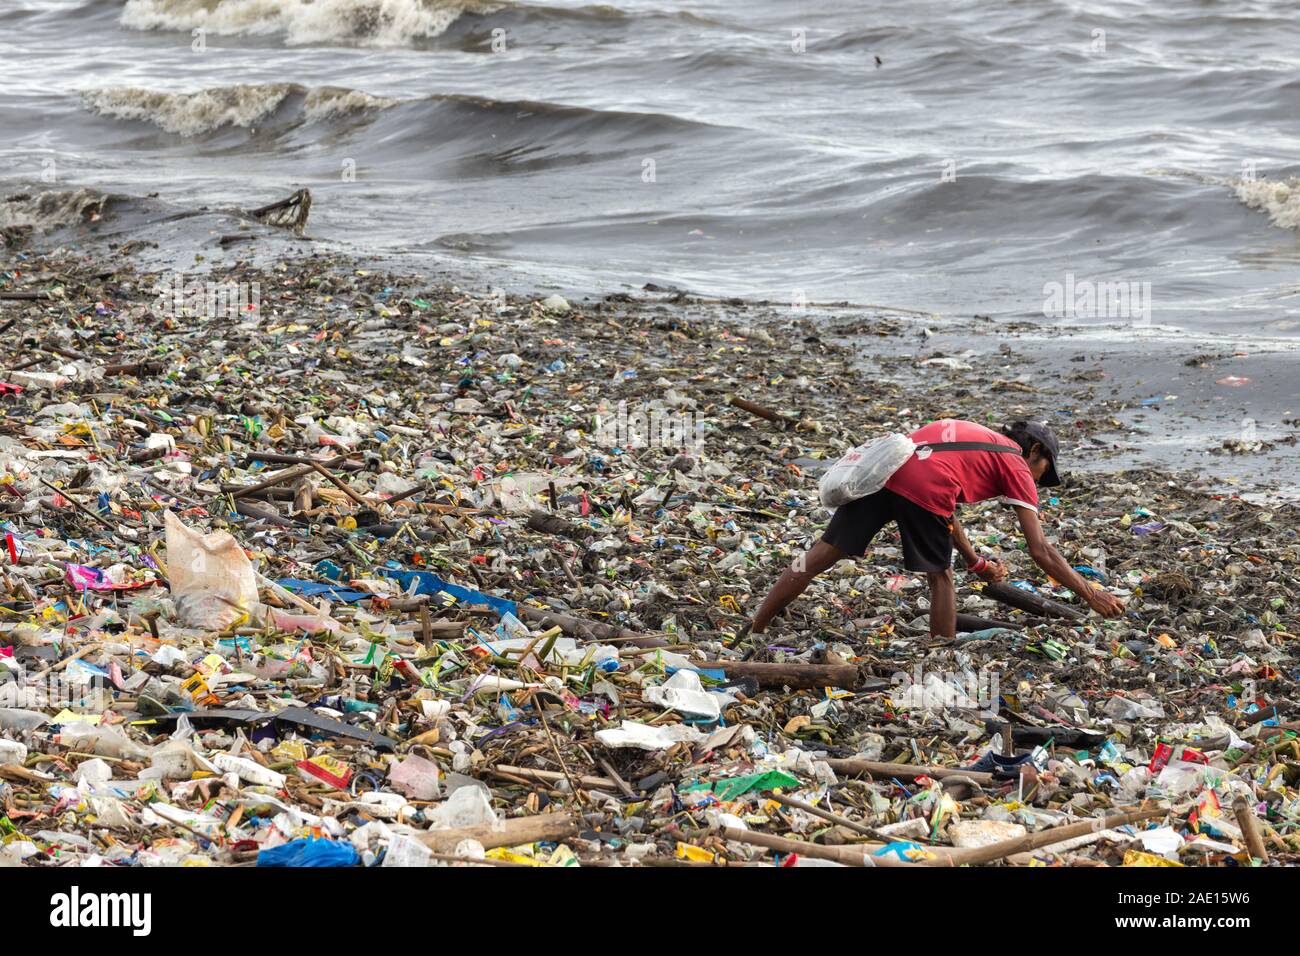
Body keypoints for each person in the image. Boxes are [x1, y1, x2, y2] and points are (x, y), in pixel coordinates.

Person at [749, 418, 1126, 637]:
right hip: (922, 487)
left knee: (818, 557)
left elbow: (944, 513)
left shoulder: (977, 439)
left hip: (884, 474)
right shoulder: (1015, 464)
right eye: (1044, 471)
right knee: (940, 577)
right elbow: (1040, 550)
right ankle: (941, 651)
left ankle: (757, 627)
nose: (1040, 480)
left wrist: (976, 563)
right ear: (1035, 453)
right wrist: (1091, 593)